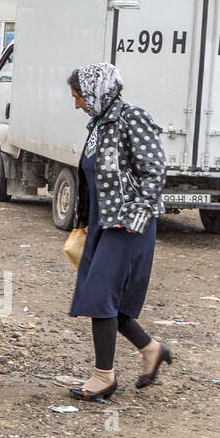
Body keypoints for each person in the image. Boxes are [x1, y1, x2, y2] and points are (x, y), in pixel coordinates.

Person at [66, 63, 171, 401]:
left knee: (99, 297)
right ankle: (152, 349)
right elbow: (91, 177)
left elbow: (155, 169)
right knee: (110, 303)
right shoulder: (99, 124)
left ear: (98, 91)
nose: (78, 104)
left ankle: (103, 378)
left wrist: (133, 213)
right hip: (101, 223)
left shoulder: (131, 117)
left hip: (127, 226)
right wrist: (83, 218)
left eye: (79, 96)